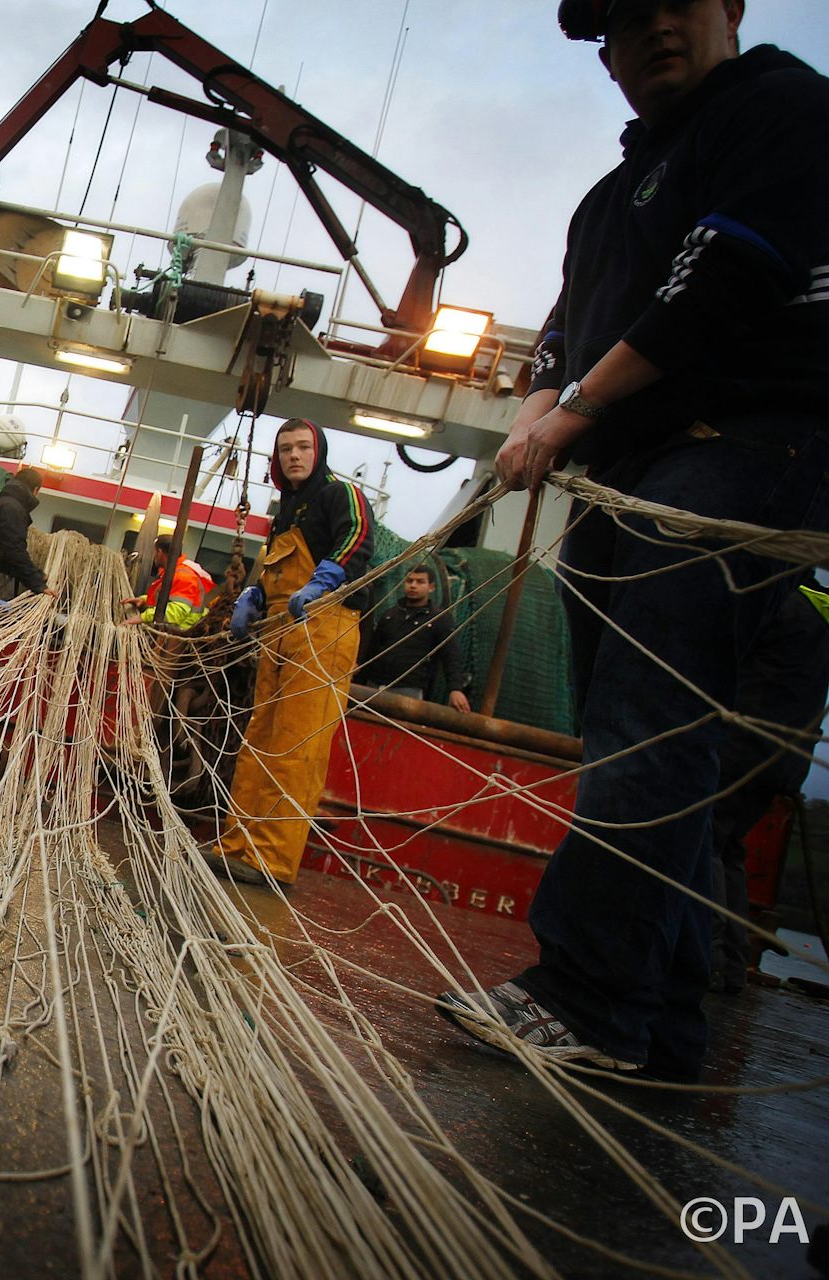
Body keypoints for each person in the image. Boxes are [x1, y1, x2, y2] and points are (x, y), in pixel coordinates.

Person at [440, 0, 829, 1079]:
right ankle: (658, 1024)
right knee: (635, 731)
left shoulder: (784, 109)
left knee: (650, 723)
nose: (654, 27)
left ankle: (589, 995)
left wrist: (570, 414)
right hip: (624, 471)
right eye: (625, 16)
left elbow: (726, 281)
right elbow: (566, 332)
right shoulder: (610, 198)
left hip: (740, 444)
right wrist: (535, 412)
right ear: (600, 50)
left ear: (731, 6)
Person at [209, 418, 372, 887]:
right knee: (259, 738)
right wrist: (257, 594)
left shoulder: (340, 493)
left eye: (303, 447)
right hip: (282, 628)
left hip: (325, 625)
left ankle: (272, 859)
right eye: (285, 449)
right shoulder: (288, 509)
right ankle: (237, 844)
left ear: (319, 452)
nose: (294, 456)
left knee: (297, 745)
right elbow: (277, 569)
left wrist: (325, 580)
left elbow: (357, 537)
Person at [707, 583, 829, 992]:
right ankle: (732, 963)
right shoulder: (818, 611)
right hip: (785, 759)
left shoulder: (776, 599)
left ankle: (709, 958)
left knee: (705, 838)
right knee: (729, 847)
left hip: (742, 748)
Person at [357, 564, 472, 712]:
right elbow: (372, 650)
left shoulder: (439, 620)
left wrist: (455, 689)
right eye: (409, 581)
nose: (413, 585)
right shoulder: (390, 615)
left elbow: (451, 656)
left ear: (431, 587)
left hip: (409, 689)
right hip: (374, 685)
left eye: (420, 582)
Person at [0, 466, 53, 597]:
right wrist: (37, 581)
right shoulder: (12, 509)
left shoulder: (2, 502)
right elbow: (13, 548)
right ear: (36, 490)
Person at [132, 537, 216, 627]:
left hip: (178, 631)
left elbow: (177, 612)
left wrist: (143, 617)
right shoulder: (173, 572)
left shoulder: (183, 576)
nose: (153, 556)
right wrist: (144, 600)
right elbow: (167, 599)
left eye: (154, 552)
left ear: (159, 552)